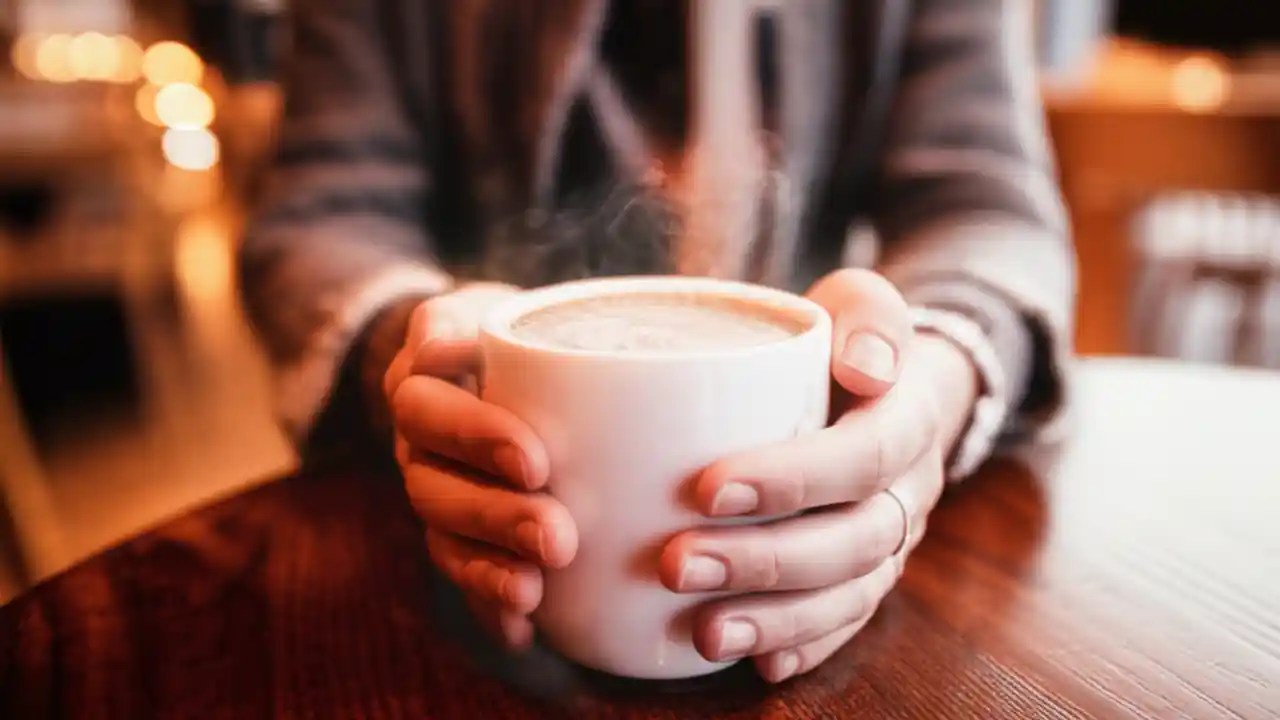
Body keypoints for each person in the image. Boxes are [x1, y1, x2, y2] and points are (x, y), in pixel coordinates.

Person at [240, 0, 1073, 684]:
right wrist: (418, 343)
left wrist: (922, 385)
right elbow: (320, 217)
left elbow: (985, 211)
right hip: (441, 606)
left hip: (826, 585)